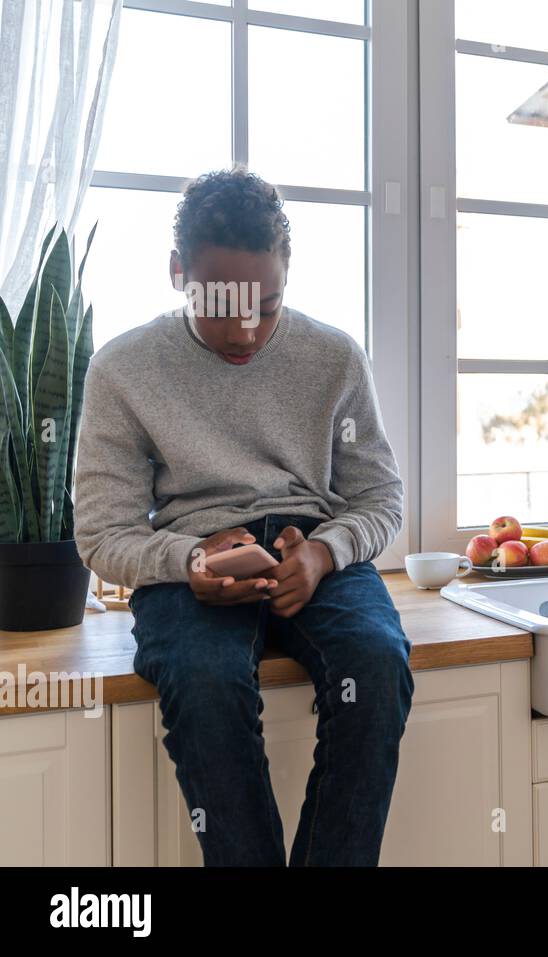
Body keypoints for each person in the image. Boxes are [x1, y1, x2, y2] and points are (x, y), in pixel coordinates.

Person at [73, 167, 414, 866]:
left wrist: (322, 553)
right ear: (177, 272)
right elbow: (103, 532)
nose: (246, 328)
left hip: (314, 546)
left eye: (267, 301)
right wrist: (185, 560)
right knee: (203, 681)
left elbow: (379, 498)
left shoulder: (334, 357)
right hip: (189, 556)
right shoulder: (123, 370)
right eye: (220, 302)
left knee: (377, 667)